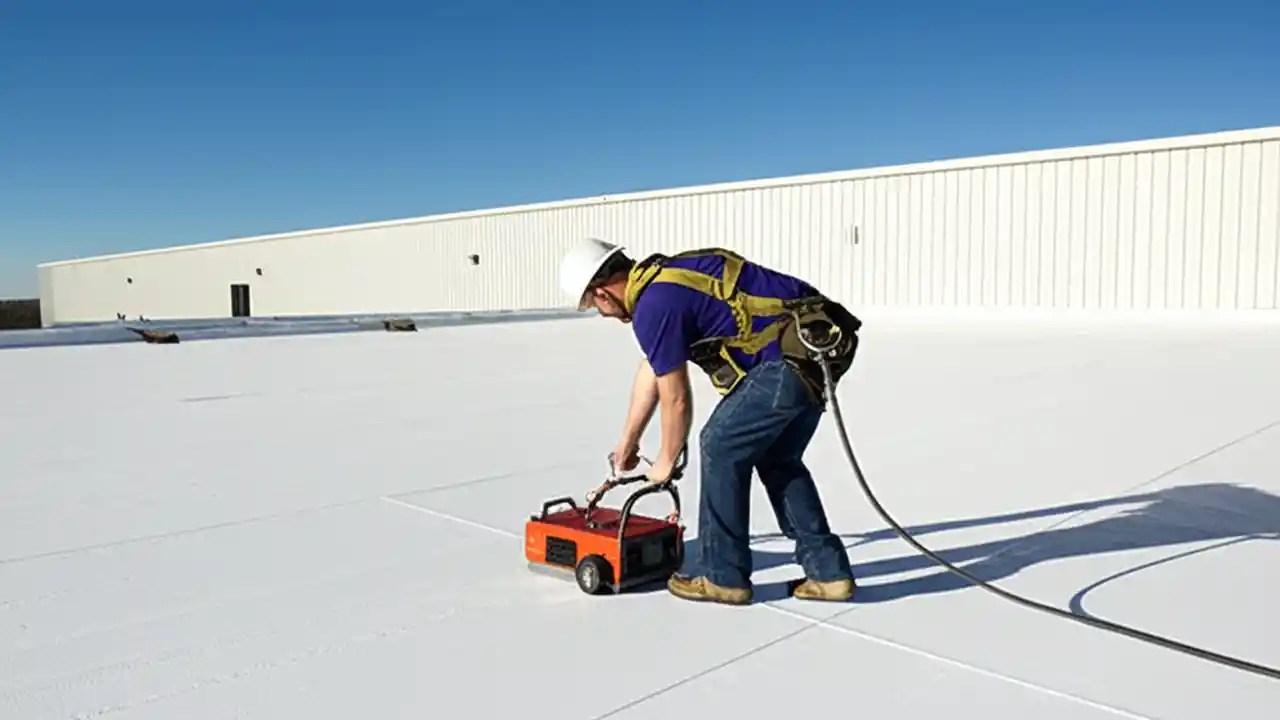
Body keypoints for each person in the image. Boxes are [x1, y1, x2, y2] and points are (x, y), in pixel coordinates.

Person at [558, 237, 862, 605]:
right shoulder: (664, 284)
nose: (601, 313)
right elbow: (653, 370)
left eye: (593, 304)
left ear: (603, 291)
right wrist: (628, 442)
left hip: (788, 358)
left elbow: (676, 397)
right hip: (817, 353)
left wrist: (666, 462)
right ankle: (828, 574)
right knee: (778, 459)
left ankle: (723, 576)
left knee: (718, 445)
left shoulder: (655, 303)